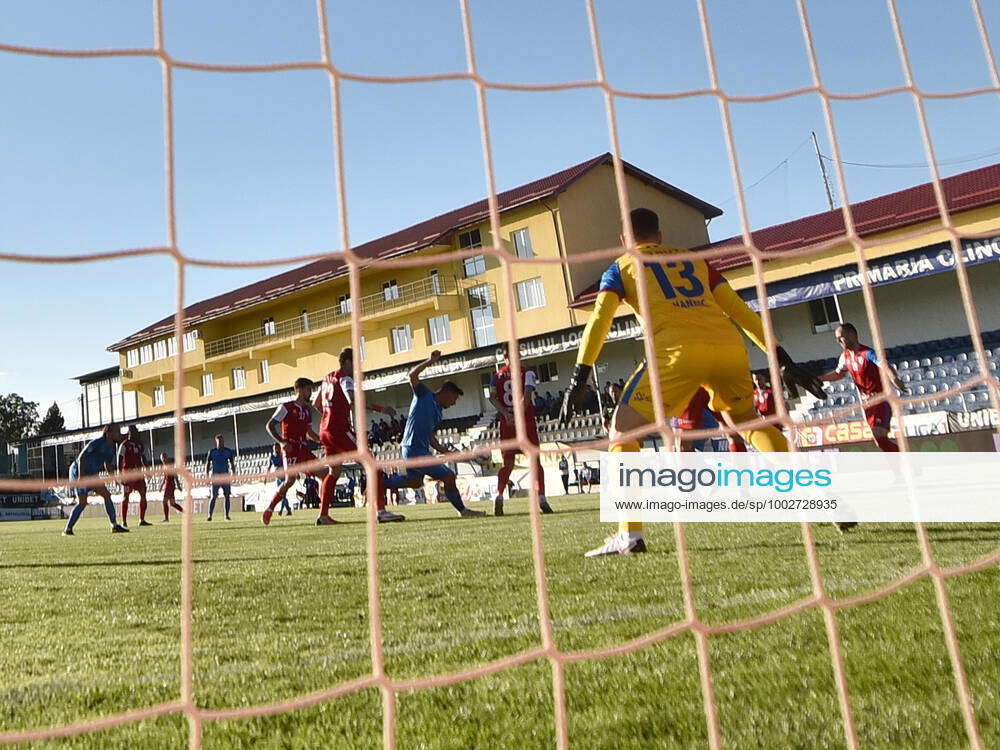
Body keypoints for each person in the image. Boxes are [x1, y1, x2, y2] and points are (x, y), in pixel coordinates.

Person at [561, 207, 823, 556]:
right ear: (660, 235)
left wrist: (579, 376)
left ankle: (630, 535)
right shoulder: (696, 261)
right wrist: (782, 358)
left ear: (625, 240)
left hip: (676, 354)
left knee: (623, 433)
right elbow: (739, 310)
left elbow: (599, 320)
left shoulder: (622, 265)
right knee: (746, 421)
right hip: (728, 348)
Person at [381, 350, 484, 517]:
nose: (453, 404)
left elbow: (430, 437)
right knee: (449, 476)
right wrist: (430, 361)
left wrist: (446, 452)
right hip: (414, 449)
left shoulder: (438, 413)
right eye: (454, 399)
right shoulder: (424, 396)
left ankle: (380, 484)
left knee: (415, 482)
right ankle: (463, 511)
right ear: (447, 393)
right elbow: (412, 375)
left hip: (414, 449)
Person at [314, 347, 402, 525]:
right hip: (339, 430)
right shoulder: (345, 379)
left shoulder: (326, 379)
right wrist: (381, 409)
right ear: (347, 362)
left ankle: (323, 515)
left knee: (334, 472)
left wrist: (330, 414)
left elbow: (317, 404)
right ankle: (381, 511)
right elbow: (353, 400)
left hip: (325, 430)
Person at [820, 322, 907, 452]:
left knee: (880, 437)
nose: (838, 340)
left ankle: (908, 462)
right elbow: (839, 374)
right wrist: (821, 378)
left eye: (840, 337)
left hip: (880, 399)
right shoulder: (845, 357)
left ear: (851, 335)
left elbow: (885, 365)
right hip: (867, 404)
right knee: (880, 442)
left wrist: (894, 378)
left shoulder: (867, 353)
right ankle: (901, 467)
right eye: (836, 338)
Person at [489, 342, 552, 516]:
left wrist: (506, 414)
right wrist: (517, 416)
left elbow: (492, 398)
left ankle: (499, 495)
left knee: (507, 464)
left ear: (503, 356)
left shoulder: (497, 376)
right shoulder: (528, 372)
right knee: (535, 462)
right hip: (525, 423)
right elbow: (527, 396)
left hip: (506, 424)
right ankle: (541, 499)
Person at [262, 378, 321, 526]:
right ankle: (270, 509)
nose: (311, 393)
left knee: (324, 474)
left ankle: (323, 513)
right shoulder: (286, 407)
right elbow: (270, 426)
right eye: (309, 389)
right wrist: (282, 442)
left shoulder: (307, 410)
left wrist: (321, 440)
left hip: (304, 448)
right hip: (291, 449)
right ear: (300, 389)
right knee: (290, 480)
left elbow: (308, 431)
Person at [62, 424, 128, 535]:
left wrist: (114, 478)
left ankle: (114, 526)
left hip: (92, 474)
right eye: (117, 432)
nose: (119, 434)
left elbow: (107, 464)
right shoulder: (97, 443)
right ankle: (68, 530)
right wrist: (81, 477)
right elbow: (82, 457)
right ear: (108, 433)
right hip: (79, 471)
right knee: (82, 502)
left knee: (106, 495)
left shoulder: (112, 447)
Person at [676, 387, 747, 452]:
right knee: (683, 441)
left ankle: (740, 464)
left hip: (715, 385)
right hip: (690, 387)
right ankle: (686, 464)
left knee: (733, 433)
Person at [117, 424, 153, 527]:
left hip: (139, 474)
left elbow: (143, 458)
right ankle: (124, 521)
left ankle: (142, 519)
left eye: (137, 432)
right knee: (126, 496)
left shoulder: (140, 445)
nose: (136, 434)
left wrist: (147, 470)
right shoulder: (124, 445)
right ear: (129, 433)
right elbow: (119, 459)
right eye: (134, 432)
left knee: (143, 494)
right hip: (128, 474)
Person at [205, 435, 236, 521]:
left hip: (225, 476)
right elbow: (207, 464)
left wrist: (234, 473)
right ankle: (209, 515)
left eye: (222, 441)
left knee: (227, 496)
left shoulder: (228, 451)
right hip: (215, 477)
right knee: (213, 496)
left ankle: (226, 515)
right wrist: (207, 475)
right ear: (216, 442)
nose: (221, 443)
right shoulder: (212, 452)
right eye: (219, 441)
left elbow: (232, 463)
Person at [158, 452, 185, 522]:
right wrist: (161, 485)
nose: (163, 459)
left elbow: (175, 475)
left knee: (164, 501)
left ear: (166, 457)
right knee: (172, 503)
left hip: (170, 485)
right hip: (168, 485)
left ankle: (166, 519)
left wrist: (178, 485)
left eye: (164, 457)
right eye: (162, 458)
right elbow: (165, 477)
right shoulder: (164, 466)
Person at [270, 443, 292, 516]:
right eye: (274, 448)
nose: (275, 449)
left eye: (277, 448)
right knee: (281, 495)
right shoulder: (272, 457)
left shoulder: (282, 455)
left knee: (283, 495)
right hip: (278, 477)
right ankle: (288, 510)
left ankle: (281, 510)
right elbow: (269, 466)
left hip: (283, 476)